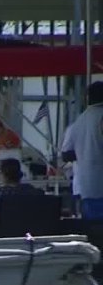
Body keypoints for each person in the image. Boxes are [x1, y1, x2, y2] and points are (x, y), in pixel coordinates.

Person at [61, 81, 103, 219]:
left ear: (87, 98)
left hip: (87, 186)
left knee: (93, 233)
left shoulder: (77, 123)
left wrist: (84, 152)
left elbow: (65, 154)